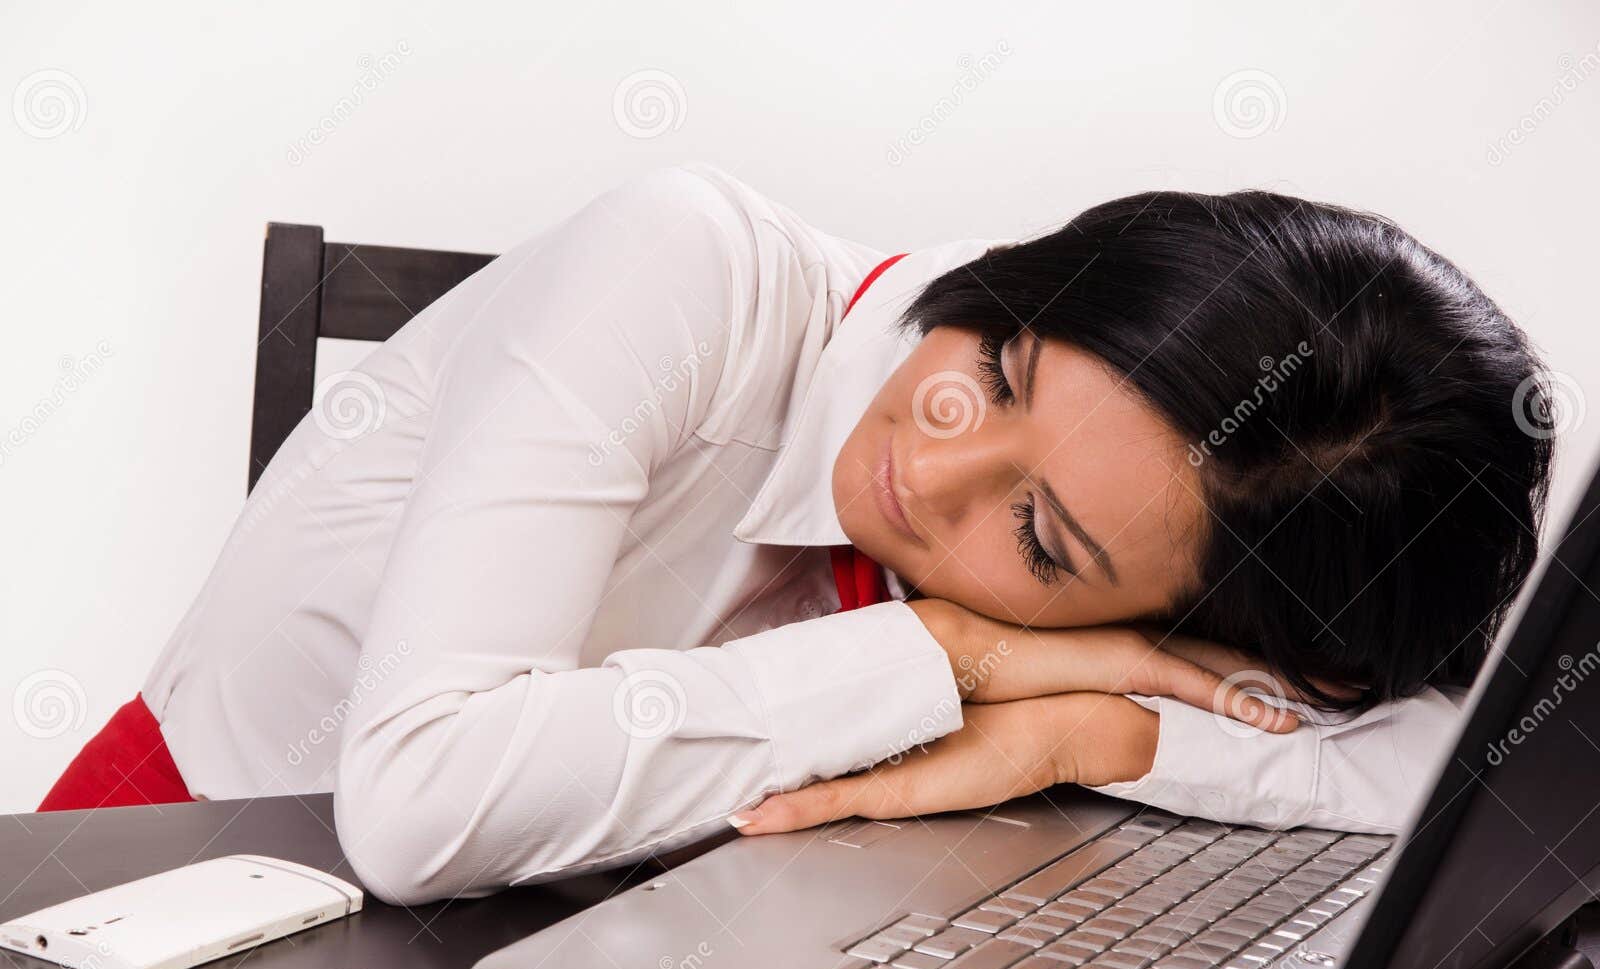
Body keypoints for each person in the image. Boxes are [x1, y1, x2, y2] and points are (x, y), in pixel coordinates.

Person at [42, 163, 1551, 908]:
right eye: (1000, 373)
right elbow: (420, 804)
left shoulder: (1174, 507)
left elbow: (1487, 762)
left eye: (1034, 536)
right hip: (171, 907)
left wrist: (1095, 731)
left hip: (569, 963)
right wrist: (942, 645)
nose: (929, 465)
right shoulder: (684, 265)